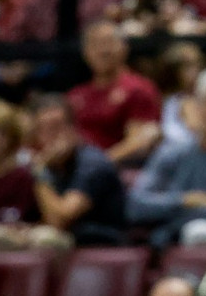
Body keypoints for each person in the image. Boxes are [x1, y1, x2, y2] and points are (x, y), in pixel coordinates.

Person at [126, 68, 206, 246]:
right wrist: (183, 200)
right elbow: (135, 205)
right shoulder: (171, 152)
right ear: (197, 106)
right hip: (162, 242)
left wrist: (164, 220)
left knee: (197, 231)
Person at [27, 93, 129, 246]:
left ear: (73, 127)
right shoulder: (50, 164)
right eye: (44, 129)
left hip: (99, 245)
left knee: (45, 239)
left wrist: (40, 173)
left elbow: (60, 220)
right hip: (66, 243)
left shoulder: (93, 163)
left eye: (57, 126)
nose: (52, 135)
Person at [69, 20, 164, 164]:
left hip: (119, 172)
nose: (102, 51)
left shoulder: (138, 89)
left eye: (108, 42)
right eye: (95, 44)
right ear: (85, 52)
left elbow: (140, 141)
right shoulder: (75, 94)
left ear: (124, 47)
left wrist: (100, 164)